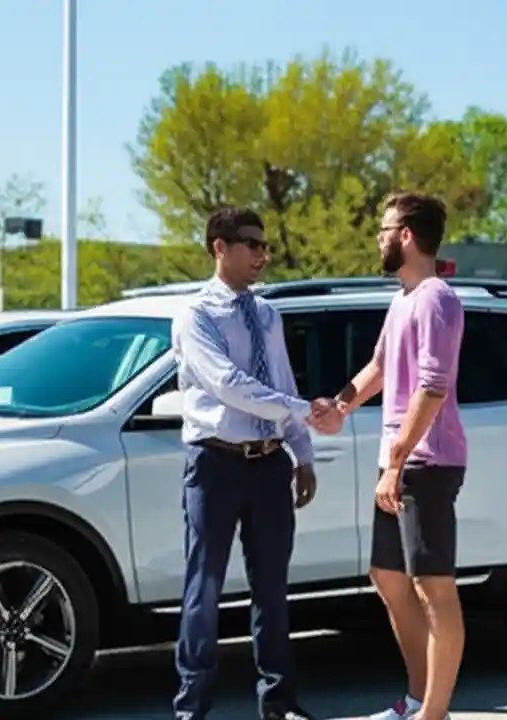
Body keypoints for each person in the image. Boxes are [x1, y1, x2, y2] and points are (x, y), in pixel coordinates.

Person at [170, 206, 332, 720]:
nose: (262, 254)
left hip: (268, 465)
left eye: (265, 246)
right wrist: (306, 412)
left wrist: (302, 453)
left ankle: (278, 704)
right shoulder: (196, 314)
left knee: (272, 588)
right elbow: (226, 385)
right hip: (215, 464)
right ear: (220, 247)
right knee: (205, 587)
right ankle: (192, 707)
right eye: (251, 244)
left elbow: (280, 381)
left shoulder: (266, 312)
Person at [314, 192, 467, 720]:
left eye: (384, 230)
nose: (378, 239)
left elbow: (432, 387)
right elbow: (379, 367)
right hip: (399, 461)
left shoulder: (436, 299)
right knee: (388, 577)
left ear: (406, 235)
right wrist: (339, 406)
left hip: (427, 461)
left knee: (433, 587)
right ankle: (419, 699)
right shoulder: (403, 299)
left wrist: (398, 462)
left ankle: (433, 714)